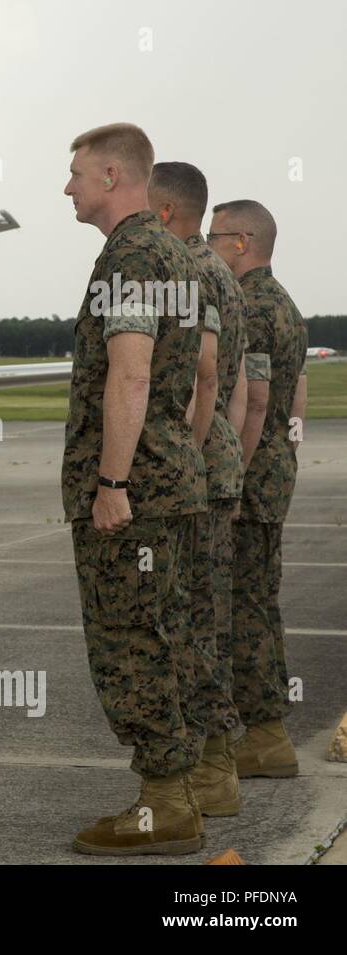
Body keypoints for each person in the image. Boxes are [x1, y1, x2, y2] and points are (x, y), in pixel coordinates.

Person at [61, 123, 208, 855]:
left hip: (136, 494)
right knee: (166, 634)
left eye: (78, 174)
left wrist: (114, 481)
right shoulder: (179, 255)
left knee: (132, 642)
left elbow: (133, 373)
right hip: (171, 481)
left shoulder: (130, 257)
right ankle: (176, 790)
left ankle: (163, 805)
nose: (69, 188)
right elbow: (192, 383)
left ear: (113, 176)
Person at [147, 162, 246, 817]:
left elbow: (205, 379)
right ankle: (216, 767)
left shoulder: (189, 270)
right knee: (206, 621)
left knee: (192, 628)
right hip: (217, 464)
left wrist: (183, 454)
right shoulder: (219, 272)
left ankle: (212, 768)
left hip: (197, 472)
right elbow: (235, 386)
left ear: (162, 212)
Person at [207, 200, 308, 778]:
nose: (209, 245)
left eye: (215, 236)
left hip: (247, 481)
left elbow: (260, 397)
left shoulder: (247, 303)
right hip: (271, 474)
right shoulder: (286, 304)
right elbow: (297, 398)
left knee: (238, 608)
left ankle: (262, 734)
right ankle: (267, 735)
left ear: (242, 241)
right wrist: (282, 456)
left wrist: (234, 475)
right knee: (259, 603)